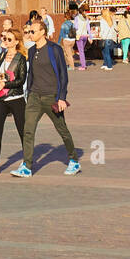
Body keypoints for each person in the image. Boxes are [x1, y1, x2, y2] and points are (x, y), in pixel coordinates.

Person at [12, 16, 80, 177]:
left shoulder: (54, 49)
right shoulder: (31, 50)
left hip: (52, 98)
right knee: (28, 130)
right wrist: (28, 92)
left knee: (61, 129)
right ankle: (27, 166)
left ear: (43, 32)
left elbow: (63, 75)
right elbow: (31, 74)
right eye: (28, 32)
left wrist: (61, 97)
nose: (29, 34)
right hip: (35, 96)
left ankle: (74, 160)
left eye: (32, 31)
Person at [0, 27, 27, 174]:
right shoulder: (1, 55)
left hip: (16, 98)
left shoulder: (21, 58)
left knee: (22, 131)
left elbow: (21, 80)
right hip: (1, 98)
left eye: (9, 39)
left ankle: (27, 161)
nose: (5, 41)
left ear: (16, 42)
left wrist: (6, 84)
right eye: (4, 38)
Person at [73, 3, 90, 71]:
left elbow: (76, 27)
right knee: (82, 50)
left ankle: (83, 65)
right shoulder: (86, 18)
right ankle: (83, 63)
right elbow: (88, 28)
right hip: (85, 36)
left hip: (79, 36)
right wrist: (90, 37)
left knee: (81, 51)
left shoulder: (77, 18)